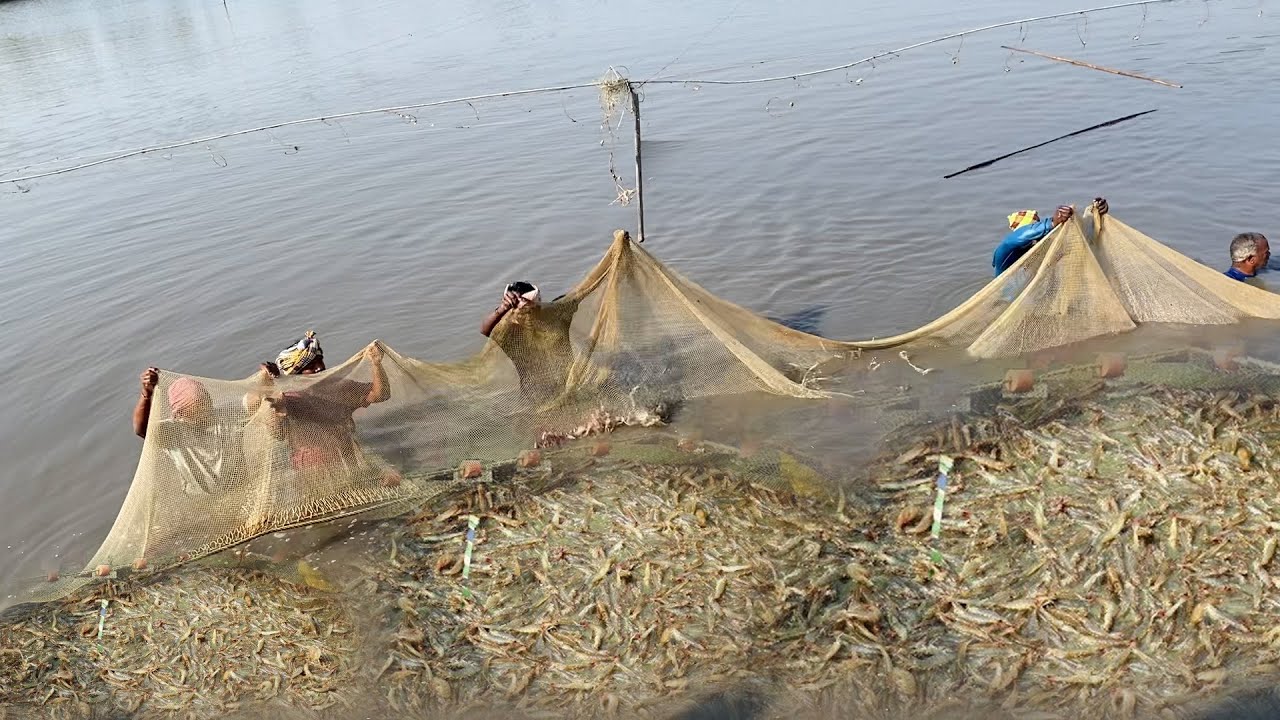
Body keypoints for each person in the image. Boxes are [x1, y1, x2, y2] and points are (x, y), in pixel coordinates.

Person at [134, 369, 255, 495]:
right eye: (198, 410)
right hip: (200, 497)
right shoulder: (172, 433)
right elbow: (142, 429)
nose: (205, 414)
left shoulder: (226, 415)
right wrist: (146, 394)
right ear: (179, 414)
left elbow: (252, 402)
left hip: (239, 487)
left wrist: (266, 379)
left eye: (206, 405)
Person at [480, 281, 577, 401]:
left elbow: (578, 294)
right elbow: (486, 330)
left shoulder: (556, 315)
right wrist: (502, 308)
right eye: (519, 311)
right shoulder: (511, 334)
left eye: (528, 309)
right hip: (533, 396)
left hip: (569, 386)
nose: (525, 315)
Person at [992, 198, 1109, 276]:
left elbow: (1083, 239)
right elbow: (1012, 240)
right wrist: (1052, 223)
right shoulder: (1004, 254)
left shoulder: (1045, 249)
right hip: (1010, 304)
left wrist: (1096, 213)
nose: (1035, 241)